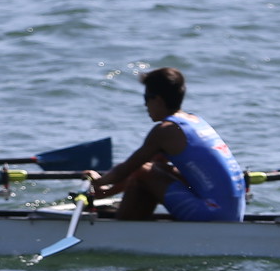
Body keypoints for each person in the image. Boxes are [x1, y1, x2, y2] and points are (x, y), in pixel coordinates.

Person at [84, 67, 247, 222]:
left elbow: (129, 168)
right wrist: (107, 192)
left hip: (212, 213)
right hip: (232, 212)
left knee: (144, 170)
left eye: (146, 98)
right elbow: (150, 167)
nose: (145, 105)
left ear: (158, 100)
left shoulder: (165, 130)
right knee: (157, 168)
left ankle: (121, 231)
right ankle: (129, 222)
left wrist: (99, 181)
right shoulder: (195, 121)